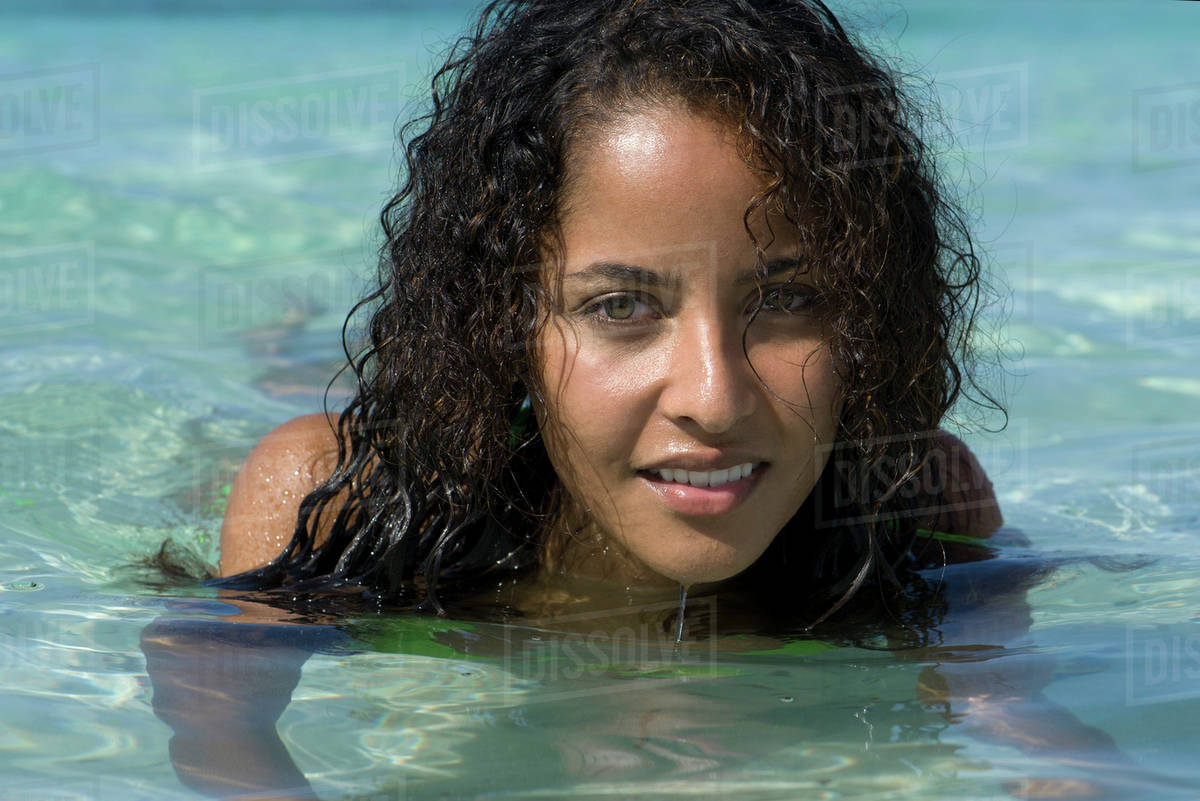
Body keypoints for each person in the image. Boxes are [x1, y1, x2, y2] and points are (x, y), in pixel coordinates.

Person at [214, 0, 1004, 631]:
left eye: (787, 300)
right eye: (621, 306)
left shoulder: (918, 500)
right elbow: (218, 726)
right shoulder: (334, 502)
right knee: (294, 381)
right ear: (500, 324)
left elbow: (1023, 719)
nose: (714, 398)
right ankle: (280, 339)